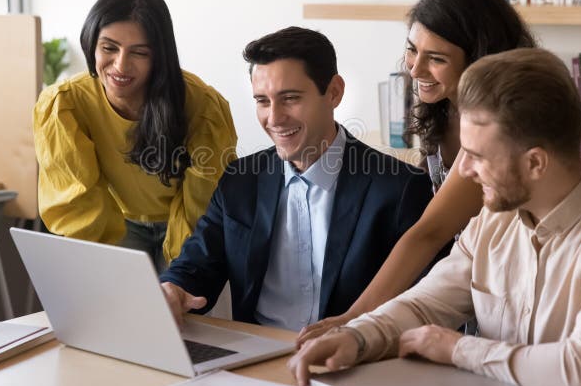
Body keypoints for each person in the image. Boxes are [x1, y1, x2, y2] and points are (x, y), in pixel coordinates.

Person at [289, 48, 581, 386]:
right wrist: (357, 338)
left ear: (535, 163)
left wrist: (457, 349)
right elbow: (423, 305)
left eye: (478, 156)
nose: (462, 170)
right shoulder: (493, 222)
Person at [298, 0, 536, 343]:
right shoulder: (445, 108)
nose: (414, 68)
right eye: (412, 49)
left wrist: (355, 317)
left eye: (436, 58)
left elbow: (429, 232)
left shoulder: (499, 125)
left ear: (479, 60)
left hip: (517, 294)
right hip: (466, 283)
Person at [159, 26, 439, 331]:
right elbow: (196, 265)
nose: (275, 118)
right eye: (262, 101)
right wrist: (173, 289)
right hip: (256, 357)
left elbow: (425, 301)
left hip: (353, 361)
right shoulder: (240, 181)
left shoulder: (399, 188)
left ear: (334, 92)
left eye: (289, 98)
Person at [34, 0, 237, 271]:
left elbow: (203, 201)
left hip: (183, 224)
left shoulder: (201, 105)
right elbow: (76, 204)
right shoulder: (65, 104)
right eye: (109, 48)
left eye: (139, 53)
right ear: (92, 43)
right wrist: (105, 268)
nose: (120, 66)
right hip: (116, 222)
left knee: (183, 309)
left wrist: (181, 274)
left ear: (159, 56)